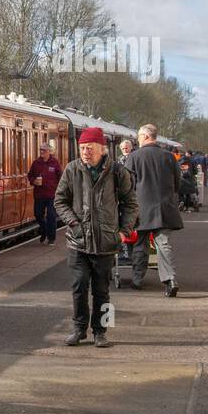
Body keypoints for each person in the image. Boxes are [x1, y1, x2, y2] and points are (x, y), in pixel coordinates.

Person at [53, 126, 139, 348]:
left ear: (102, 149)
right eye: (82, 148)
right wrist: (73, 223)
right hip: (78, 240)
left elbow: (131, 204)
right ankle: (79, 328)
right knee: (79, 285)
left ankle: (101, 332)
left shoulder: (118, 172)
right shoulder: (72, 170)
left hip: (106, 242)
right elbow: (60, 201)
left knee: (103, 290)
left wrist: (123, 232)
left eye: (89, 148)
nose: (85, 152)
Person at [124, 124, 183, 297]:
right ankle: (170, 279)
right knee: (163, 243)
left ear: (145, 137)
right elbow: (177, 183)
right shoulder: (169, 157)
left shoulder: (134, 157)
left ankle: (137, 279)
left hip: (141, 208)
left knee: (140, 245)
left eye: (139, 137)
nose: (138, 140)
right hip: (164, 207)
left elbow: (127, 185)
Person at [26, 140, 62, 244]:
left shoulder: (55, 163)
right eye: (40, 150)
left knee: (51, 216)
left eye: (44, 150)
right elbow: (30, 175)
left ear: (49, 152)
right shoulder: (36, 163)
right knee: (37, 215)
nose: (41, 152)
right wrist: (34, 181)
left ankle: (51, 239)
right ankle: (45, 229)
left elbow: (61, 177)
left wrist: (60, 191)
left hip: (52, 195)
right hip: (39, 194)